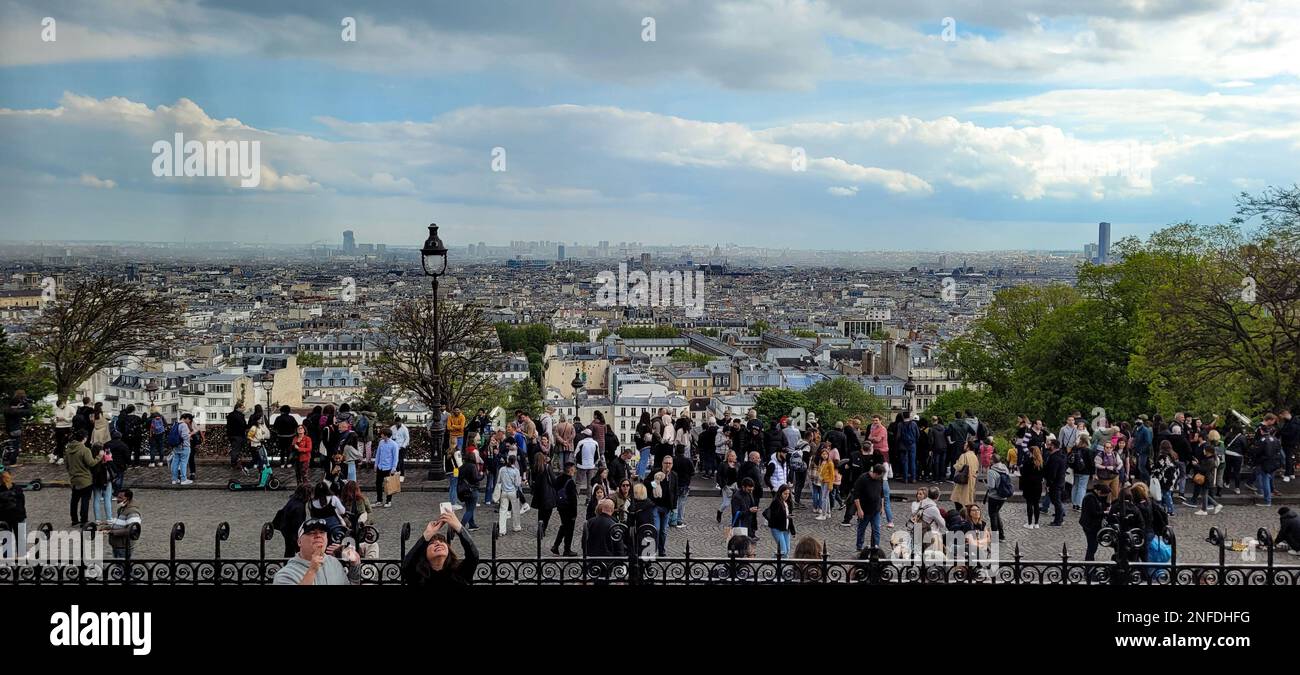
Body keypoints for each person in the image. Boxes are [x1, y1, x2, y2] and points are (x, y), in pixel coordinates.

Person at [272, 519, 362, 585]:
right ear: (299, 542)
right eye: (311, 533)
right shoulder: (286, 575)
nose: (318, 536)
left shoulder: (334, 563)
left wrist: (355, 565)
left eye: (322, 532)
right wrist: (312, 570)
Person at [402, 512, 480, 586]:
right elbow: (407, 564)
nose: (438, 543)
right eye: (432, 543)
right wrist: (427, 535)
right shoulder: (418, 575)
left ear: (448, 550)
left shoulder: (459, 572)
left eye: (442, 541)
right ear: (424, 553)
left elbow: (473, 556)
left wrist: (459, 528)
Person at [64, 429, 99, 526]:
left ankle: (74, 519)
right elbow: (91, 463)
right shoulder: (85, 449)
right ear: (84, 438)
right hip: (85, 479)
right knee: (85, 500)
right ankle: (84, 520)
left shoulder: (68, 449)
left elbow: (66, 465)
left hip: (74, 479)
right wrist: (99, 457)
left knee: (74, 500)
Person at [853, 464, 885, 551]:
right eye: (880, 475)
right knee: (861, 529)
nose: (881, 477)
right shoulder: (863, 479)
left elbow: (881, 494)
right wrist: (859, 509)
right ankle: (859, 547)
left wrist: (882, 507)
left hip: (876, 510)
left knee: (876, 530)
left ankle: (875, 547)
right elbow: (856, 495)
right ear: (875, 473)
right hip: (865, 510)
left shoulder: (880, 479)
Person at [272, 485, 312, 557]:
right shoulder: (299, 507)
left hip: (286, 528)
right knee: (295, 551)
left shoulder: (293, 500)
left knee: (289, 550)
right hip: (292, 532)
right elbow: (298, 524)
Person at [651, 456, 678, 557]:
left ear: (672, 465)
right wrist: (656, 482)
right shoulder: (655, 472)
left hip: (667, 507)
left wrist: (674, 507)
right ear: (662, 463)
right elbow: (647, 484)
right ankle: (653, 550)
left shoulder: (674, 475)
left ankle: (661, 550)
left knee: (664, 531)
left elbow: (675, 492)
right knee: (656, 529)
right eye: (666, 463)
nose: (668, 465)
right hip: (656, 506)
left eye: (669, 463)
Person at [102, 489, 142, 559]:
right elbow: (120, 523)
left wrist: (110, 531)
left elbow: (132, 530)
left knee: (123, 566)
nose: (117, 499)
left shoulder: (132, 512)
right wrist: (107, 526)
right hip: (118, 544)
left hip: (124, 545)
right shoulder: (122, 509)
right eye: (117, 497)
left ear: (127, 498)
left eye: (120, 498)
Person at [551, 462, 579, 555]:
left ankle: (556, 545)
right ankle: (567, 549)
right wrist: (574, 513)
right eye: (574, 469)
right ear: (570, 470)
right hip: (569, 508)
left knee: (564, 526)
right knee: (569, 529)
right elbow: (573, 499)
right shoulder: (570, 482)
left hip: (561, 506)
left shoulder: (559, 479)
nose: (575, 471)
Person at [984, 456, 1011, 541]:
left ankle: (995, 537)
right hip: (1003, 496)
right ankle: (1001, 535)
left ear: (992, 461)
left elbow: (991, 486)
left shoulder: (991, 471)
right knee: (996, 514)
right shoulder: (1004, 468)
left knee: (993, 516)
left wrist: (985, 483)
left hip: (994, 497)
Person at [1080, 483, 1109, 561]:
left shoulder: (1094, 496)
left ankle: (1090, 561)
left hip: (1091, 524)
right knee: (1092, 546)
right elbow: (1093, 513)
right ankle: (1089, 563)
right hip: (1090, 525)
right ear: (1099, 491)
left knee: (1093, 545)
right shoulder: (1090, 498)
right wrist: (1104, 513)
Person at [497, 454, 524, 535]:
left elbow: (498, 481)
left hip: (504, 492)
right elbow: (517, 484)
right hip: (513, 492)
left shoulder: (502, 469)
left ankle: (502, 530)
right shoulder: (516, 471)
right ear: (514, 461)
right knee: (515, 510)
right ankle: (516, 526)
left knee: (503, 511)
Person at [766, 483, 796, 557]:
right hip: (777, 528)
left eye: (788, 494)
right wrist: (785, 516)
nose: (786, 496)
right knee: (783, 550)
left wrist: (792, 531)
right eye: (785, 494)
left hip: (786, 528)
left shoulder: (789, 503)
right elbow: (774, 517)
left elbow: (790, 520)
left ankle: (784, 567)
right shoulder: (776, 502)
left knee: (787, 550)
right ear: (780, 493)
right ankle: (772, 559)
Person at [0, 469, 26, 551]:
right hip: (19, 516)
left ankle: (7, 559)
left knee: (6, 540)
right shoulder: (18, 489)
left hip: (4, 518)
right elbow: (22, 502)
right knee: (21, 540)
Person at [1044, 441, 1068, 526]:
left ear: (1053, 446)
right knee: (1057, 501)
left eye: (1049, 445)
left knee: (1056, 501)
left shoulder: (1054, 457)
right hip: (1060, 481)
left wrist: (1048, 484)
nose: (1047, 446)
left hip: (1055, 483)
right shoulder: (1062, 455)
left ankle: (1058, 520)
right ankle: (1060, 517)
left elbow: (1052, 473)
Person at [951, 440, 979, 511]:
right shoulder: (975, 456)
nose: (964, 446)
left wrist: (956, 463)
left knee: (958, 499)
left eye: (965, 445)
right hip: (972, 480)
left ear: (968, 447)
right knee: (968, 499)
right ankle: (968, 515)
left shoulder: (964, 455)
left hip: (963, 480)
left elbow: (959, 467)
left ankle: (961, 515)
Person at [374, 427, 398, 507]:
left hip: (388, 468)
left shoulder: (394, 445)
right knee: (378, 484)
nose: (381, 435)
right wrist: (376, 464)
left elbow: (395, 458)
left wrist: (393, 468)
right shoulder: (381, 442)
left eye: (382, 434)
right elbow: (378, 454)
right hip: (380, 467)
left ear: (386, 435)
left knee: (389, 485)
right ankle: (379, 500)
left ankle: (388, 501)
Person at [729, 477, 760, 542]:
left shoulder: (749, 494)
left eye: (752, 490)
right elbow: (736, 513)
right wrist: (749, 511)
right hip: (741, 525)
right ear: (743, 487)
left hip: (749, 526)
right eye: (749, 490)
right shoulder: (737, 497)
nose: (751, 491)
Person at [1021, 446, 1044, 528]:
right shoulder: (1041, 462)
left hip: (1028, 485)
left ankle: (1030, 523)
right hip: (1038, 485)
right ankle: (1036, 523)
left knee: (1029, 503)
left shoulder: (1028, 461)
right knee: (1036, 503)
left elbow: (1023, 474)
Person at [52, 397, 77, 465]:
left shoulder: (71, 408)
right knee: (59, 442)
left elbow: (74, 418)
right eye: (59, 406)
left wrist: (65, 419)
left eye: (61, 406)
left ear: (63, 403)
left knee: (64, 442)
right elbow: (54, 418)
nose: (60, 407)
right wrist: (56, 419)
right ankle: (60, 457)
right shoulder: (57, 409)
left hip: (67, 427)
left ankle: (55, 454)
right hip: (58, 427)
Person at [575, 428, 600, 492]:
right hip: (591, 466)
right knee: (590, 484)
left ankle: (575, 497)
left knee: (578, 483)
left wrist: (577, 462)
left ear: (584, 435)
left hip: (581, 466)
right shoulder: (595, 443)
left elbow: (576, 454)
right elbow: (597, 456)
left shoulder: (581, 442)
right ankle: (589, 499)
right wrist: (594, 463)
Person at [226, 403, 248, 469]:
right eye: (242, 407)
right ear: (238, 408)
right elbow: (243, 425)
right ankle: (234, 464)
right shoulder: (239, 416)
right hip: (238, 435)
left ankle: (235, 463)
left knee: (235, 449)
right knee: (236, 450)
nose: (244, 408)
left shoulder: (231, 415)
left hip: (232, 435)